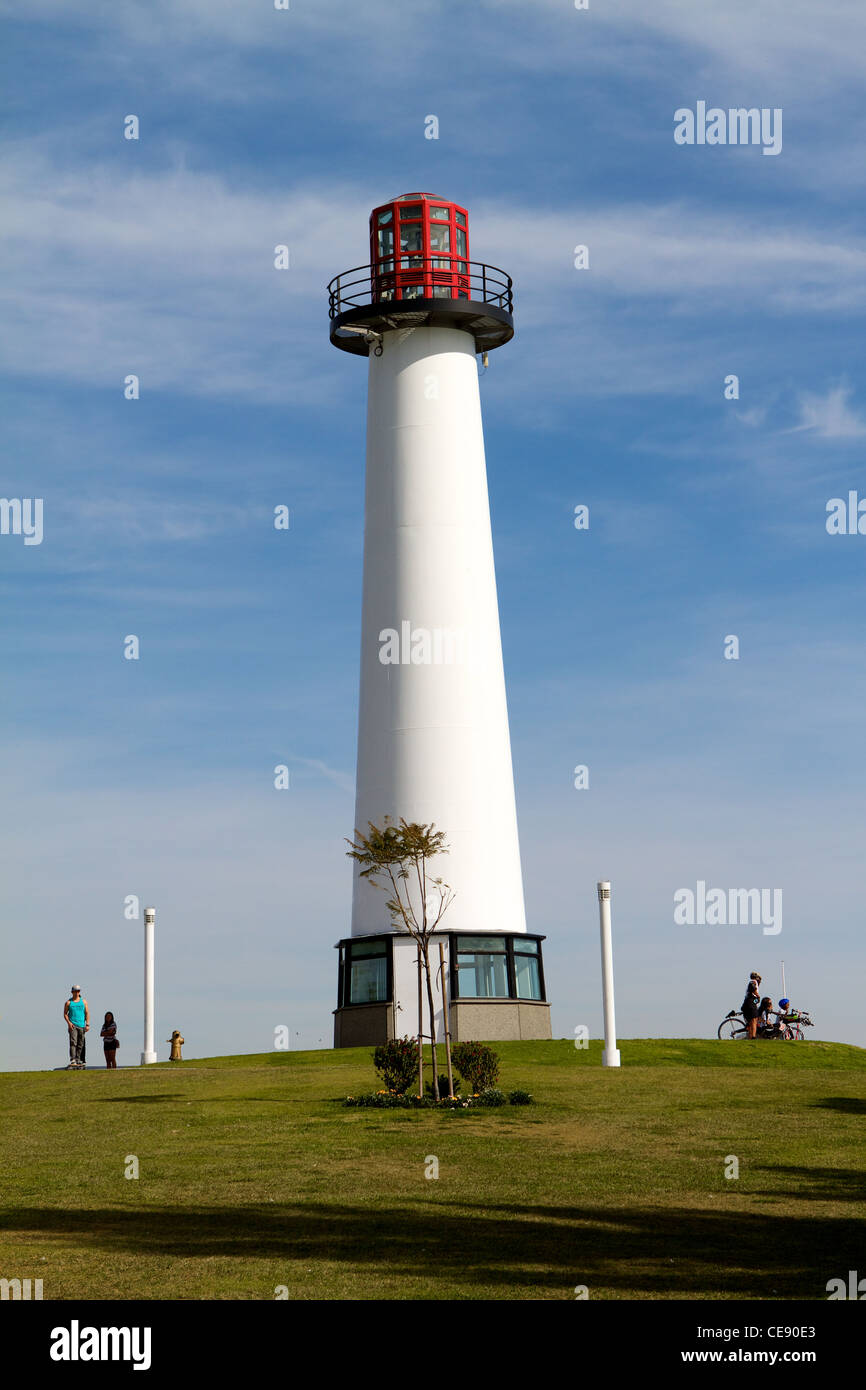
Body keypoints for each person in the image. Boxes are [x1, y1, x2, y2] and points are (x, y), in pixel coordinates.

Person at [63, 986, 89, 1069]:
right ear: (72, 992)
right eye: (75, 991)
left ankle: (78, 1059)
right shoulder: (68, 1002)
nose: (76, 992)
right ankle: (73, 1059)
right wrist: (69, 1023)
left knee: (80, 1043)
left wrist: (87, 1024)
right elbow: (65, 1014)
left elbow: (87, 1013)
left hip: (81, 1025)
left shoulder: (84, 1002)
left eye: (78, 991)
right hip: (73, 1025)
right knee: (73, 1042)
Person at [741, 971, 762, 1038]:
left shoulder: (754, 982)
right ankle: (753, 1036)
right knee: (754, 1020)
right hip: (750, 1002)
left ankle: (751, 1036)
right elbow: (753, 988)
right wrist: (758, 995)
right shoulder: (753, 982)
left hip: (748, 1002)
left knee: (752, 1021)